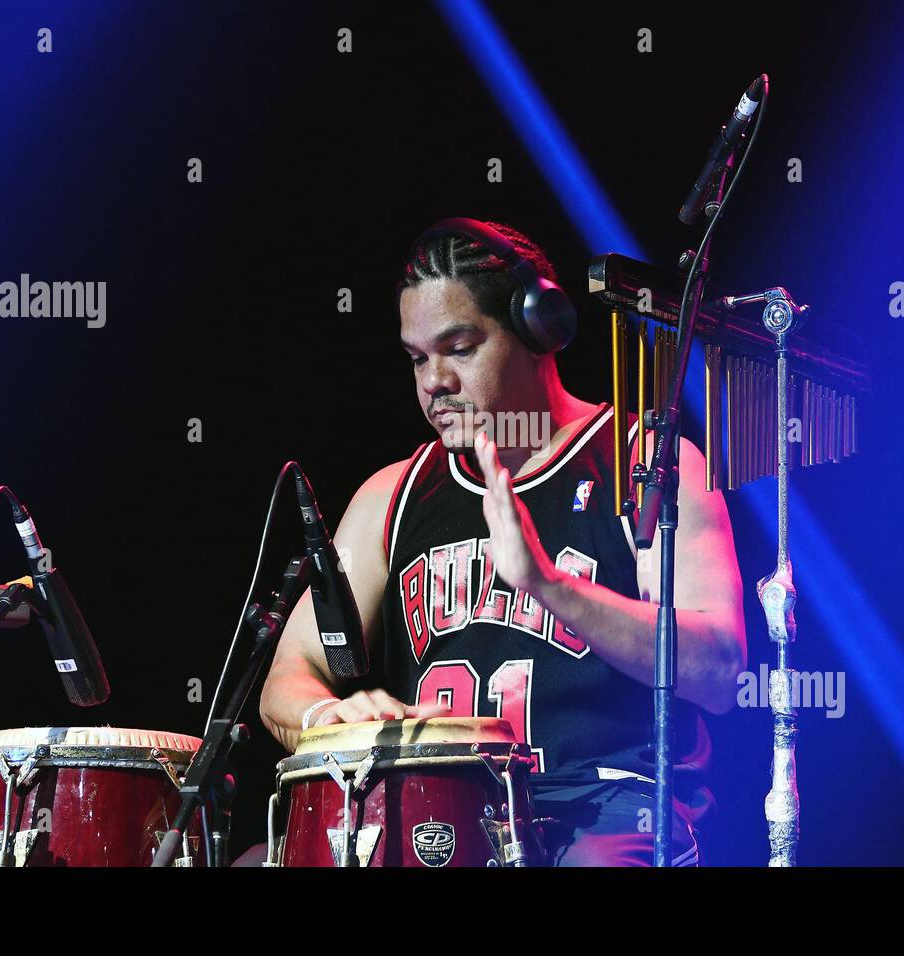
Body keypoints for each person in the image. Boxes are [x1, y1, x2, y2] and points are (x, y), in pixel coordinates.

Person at [258, 219, 746, 866]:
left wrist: (548, 584)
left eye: (459, 348)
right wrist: (330, 719)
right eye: (416, 358)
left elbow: (718, 669)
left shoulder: (647, 464)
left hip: (600, 808)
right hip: (441, 815)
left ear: (539, 329)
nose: (434, 381)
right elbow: (287, 679)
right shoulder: (393, 496)